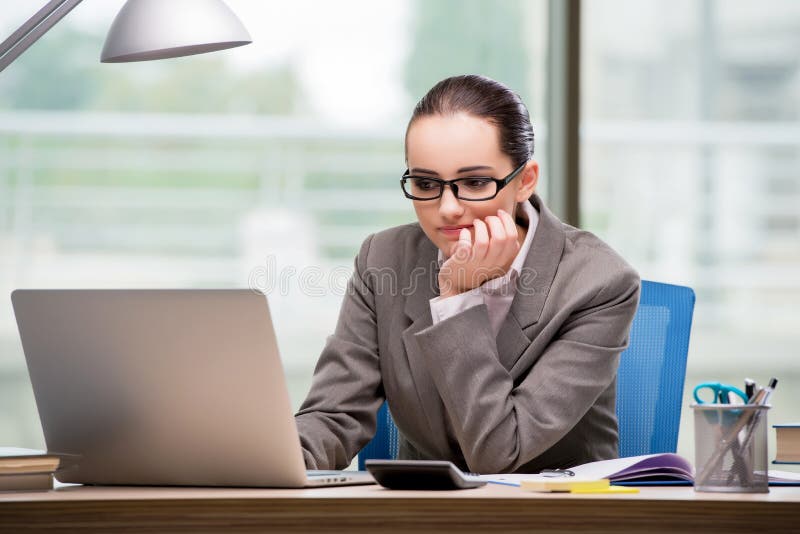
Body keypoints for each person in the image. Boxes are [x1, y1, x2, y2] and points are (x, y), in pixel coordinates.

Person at [295, 74, 640, 474]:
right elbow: (335, 417)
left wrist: (459, 299)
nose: (447, 209)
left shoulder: (598, 282)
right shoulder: (383, 260)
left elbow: (500, 455)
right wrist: (273, 461)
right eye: (425, 183)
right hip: (424, 514)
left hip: (547, 516)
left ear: (525, 181)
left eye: (475, 182)